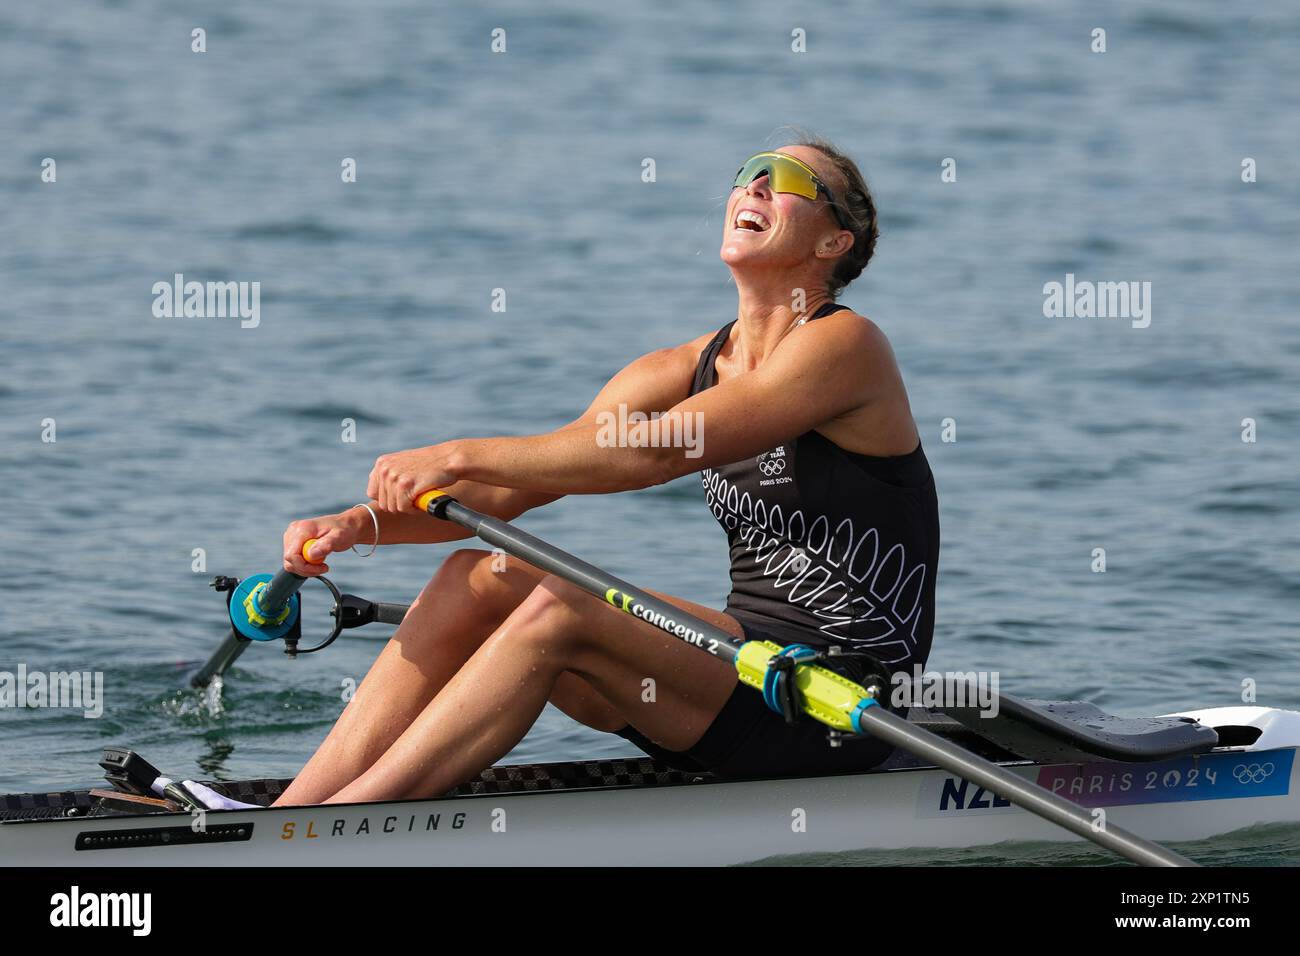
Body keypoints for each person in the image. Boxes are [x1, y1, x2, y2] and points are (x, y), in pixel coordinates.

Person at [272, 137, 939, 806]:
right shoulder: (679, 367)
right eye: (748, 173)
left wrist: (452, 453)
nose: (756, 186)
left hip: (836, 699)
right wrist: (358, 525)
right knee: (473, 580)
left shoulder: (845, 347)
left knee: (563, 607)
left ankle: (341, 825)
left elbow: (654, 452)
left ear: (833, 243)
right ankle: (292, 813)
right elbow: (520, 484)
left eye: (788, 179)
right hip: (728, 676)